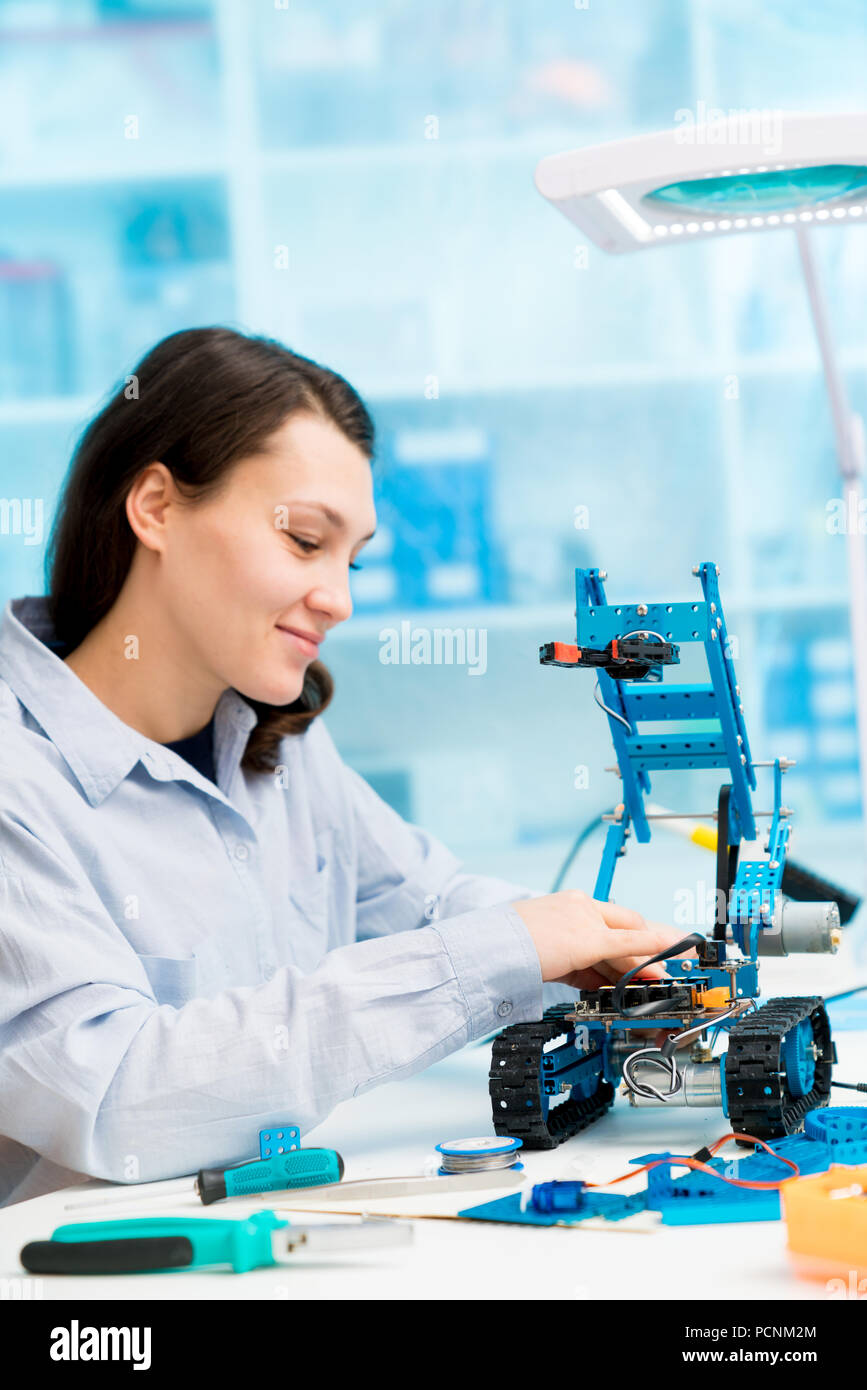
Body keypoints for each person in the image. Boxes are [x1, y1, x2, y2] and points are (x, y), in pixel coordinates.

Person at [0, 326, 680, 1206]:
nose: (341, 599)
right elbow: (120, 1097)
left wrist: (589, 949)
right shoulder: (20, 780)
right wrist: (498, 953)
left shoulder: (274, 741)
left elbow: (426, 902)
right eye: (303, 540)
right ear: (158, 507)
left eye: (351, 559)